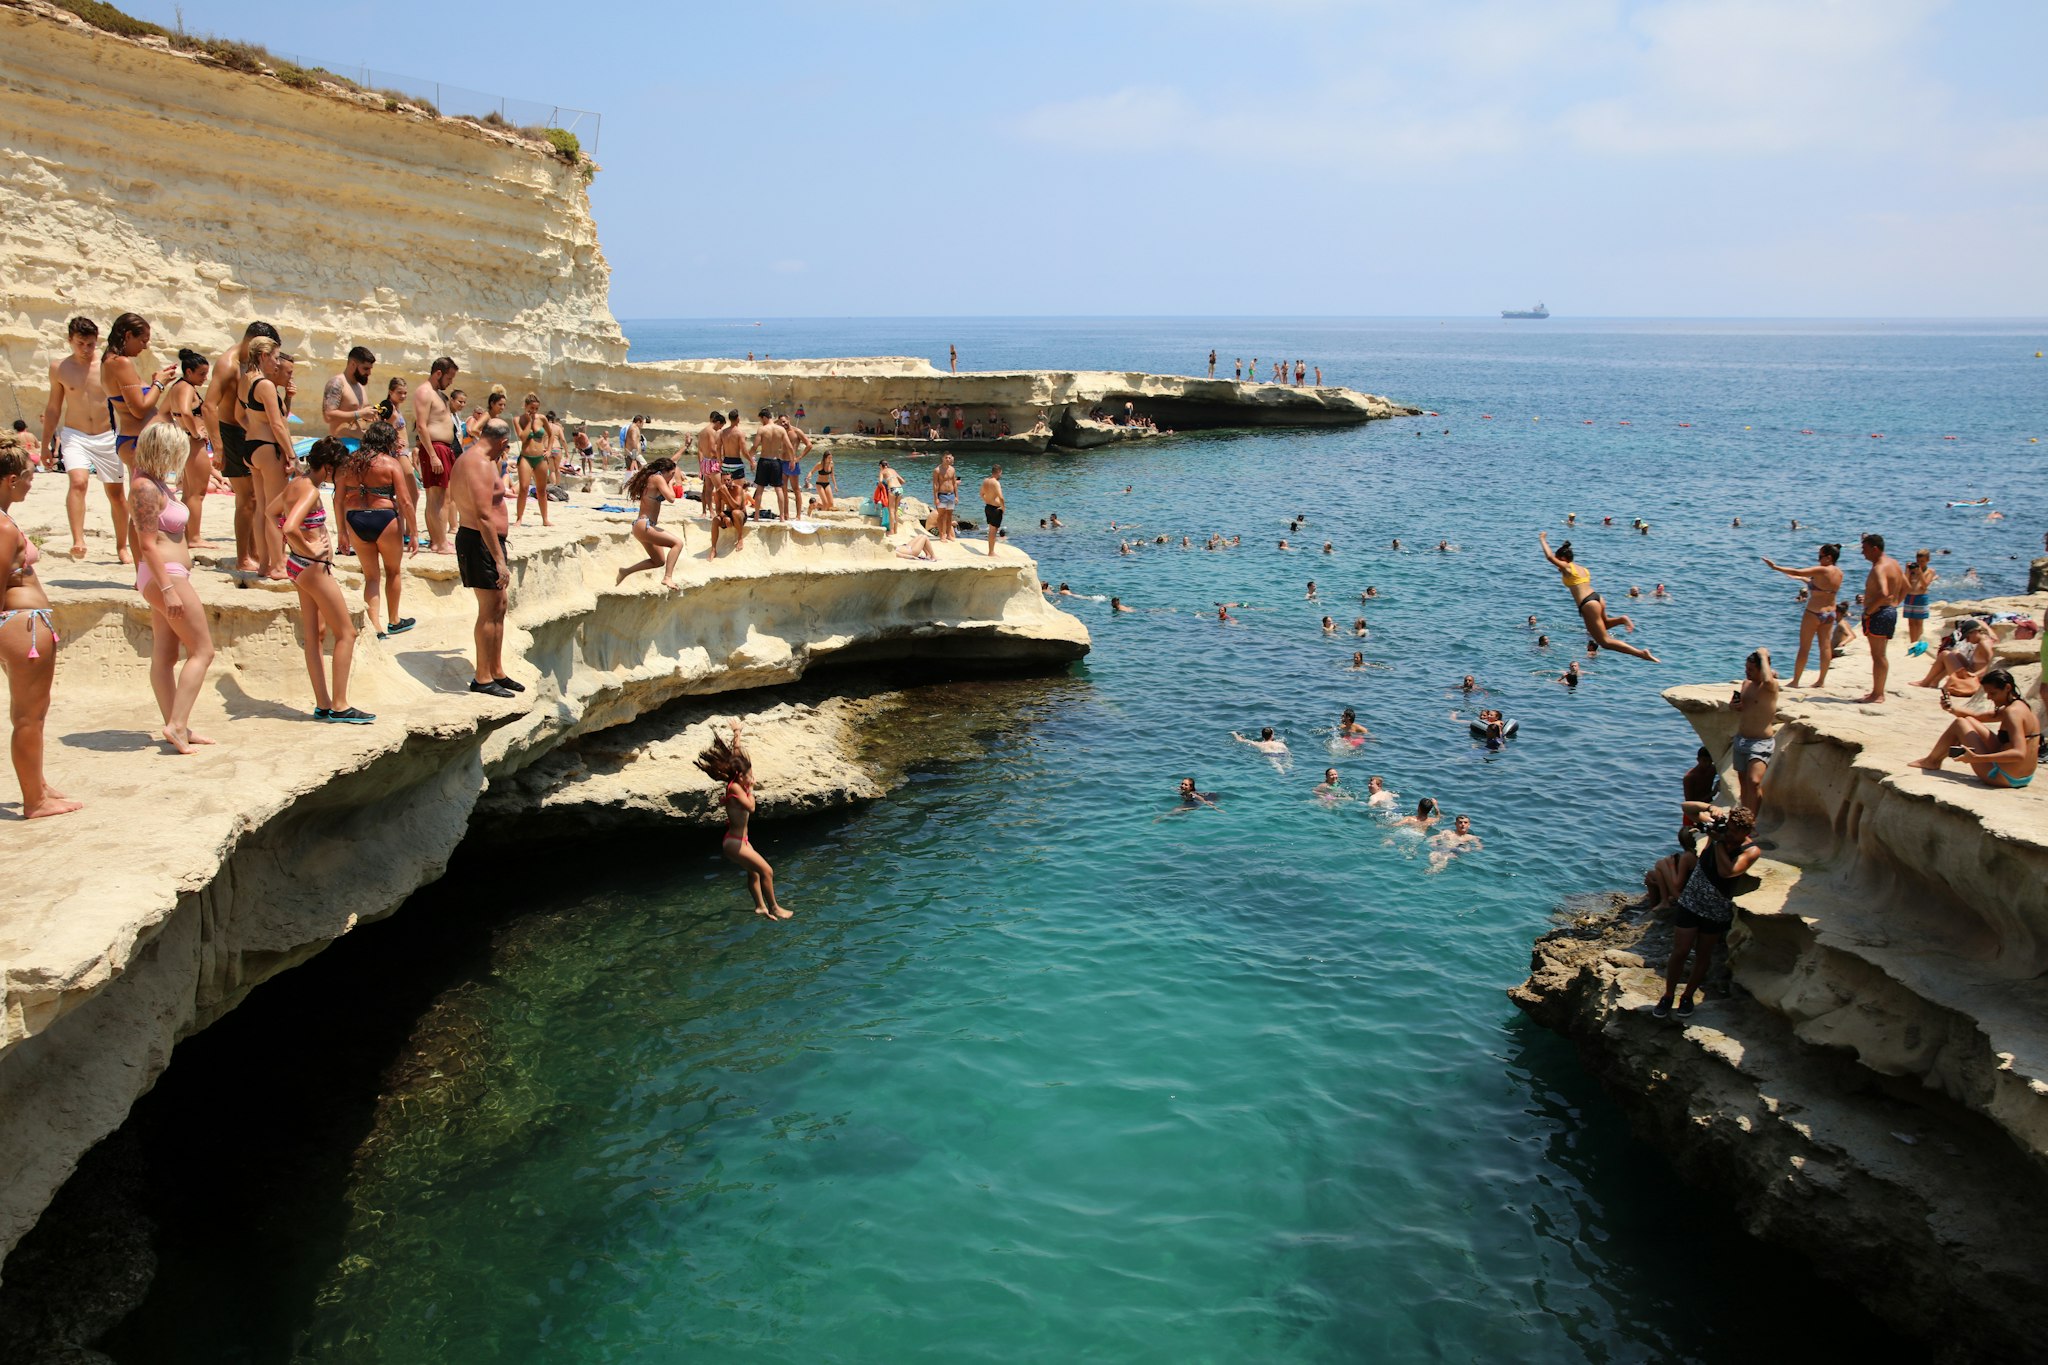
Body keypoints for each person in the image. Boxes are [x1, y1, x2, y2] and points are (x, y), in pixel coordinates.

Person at [0, 439, 79, 816]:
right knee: (28, 717)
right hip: (22, 627)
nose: (32, 484)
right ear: (10, 479)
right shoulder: (1, 525)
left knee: (33, 714)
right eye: (29, 478)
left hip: (24, 625)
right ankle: (35, 801)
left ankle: (38, 785)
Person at [129, 424, 217, 750]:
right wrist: (167, 589)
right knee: (203, 650)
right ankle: (178, 725)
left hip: (166, 574)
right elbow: (147, 544)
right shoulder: (145, 488)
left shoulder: (154, 483)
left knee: (165, 656)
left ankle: (176, 724)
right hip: (165, 576)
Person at [270, 438, 370, 722]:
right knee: (347, 633)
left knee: (316, 636)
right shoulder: (311, 491)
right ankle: (340, 705)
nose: (341, 476)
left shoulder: (295, 483)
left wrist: (296, 544)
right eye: (339, 471)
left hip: (297, 566)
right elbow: (289, 526)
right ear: (327, 468)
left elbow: (271, 513)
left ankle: (323, 704)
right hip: (313, 568)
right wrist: (308, 546)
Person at [1648, 804, 1760, 1017]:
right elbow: (1687, 808)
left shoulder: (1750, 850)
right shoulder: (1718, 833)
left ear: (1747, 832)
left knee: (1703, 954)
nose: (1732, 835)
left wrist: (1718, 842)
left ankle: (1687, 997)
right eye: (1730, 829)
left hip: (1716, 909)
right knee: (1680, 951)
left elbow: (1727, 872)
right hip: (1691, 902)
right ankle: (1668, 996)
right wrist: (1710, 808)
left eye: (1737, 832)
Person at [42, 316, 122, 561]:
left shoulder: (107, 365)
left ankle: (122, 546)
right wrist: (46, 444)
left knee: (116, 494)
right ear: (70, 340)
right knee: (78, 482)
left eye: (91, 344)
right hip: (75, 434)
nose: (86, 349)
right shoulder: (59, 368)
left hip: (107, 435)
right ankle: (78, 539)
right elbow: (54, 407)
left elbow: (127, 399)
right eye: (80, 344)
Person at [696, 719, 791, 919]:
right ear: (740, 777)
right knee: (767, 870)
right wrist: (752, 789)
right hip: (734, 843)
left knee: (754, 872)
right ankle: (774, 907)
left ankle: (759, 907)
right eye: (749, 775)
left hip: (742, 841)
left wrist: (737, 733)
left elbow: (736, 754)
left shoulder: (738, 779)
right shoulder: (735, 787)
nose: (752, 777)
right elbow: (751, 807)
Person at [452, 418, 519, 698]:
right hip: (478, 540)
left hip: (487, 541)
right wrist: (499, 560)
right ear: (503, 442)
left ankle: (496, 670)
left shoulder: (480, 459)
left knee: (500, 604)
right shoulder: (478, 462)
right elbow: (482, 515)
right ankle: (482, 677)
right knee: (489, 608)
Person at [205, 321, 278, 572]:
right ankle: (242, 557)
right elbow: (208, 406)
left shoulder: (250, 363)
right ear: (253, 341)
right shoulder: (229, 364)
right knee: (246, 499)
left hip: (243, 431)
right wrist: (219, 447)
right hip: (229, 433)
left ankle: (254, 552)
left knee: (256, 497)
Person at [100, 313, 174, 549]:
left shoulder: (109, 362)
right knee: (145, 508)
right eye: (142, 340)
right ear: (128, 335)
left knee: (145, 506)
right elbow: (140, 409)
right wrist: (159, 384)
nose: (145, 346)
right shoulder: (120, 363)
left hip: (135, 440)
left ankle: (144, 568)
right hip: (137, 442)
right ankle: (143, 569)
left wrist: (154, 384)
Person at [336, 420, 416, 638]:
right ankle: (394, 620)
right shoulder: (390, 464)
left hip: (355, 519)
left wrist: (341, 531)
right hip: (384, 518)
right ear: (387, 441)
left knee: (371, 576)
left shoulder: (348, 463)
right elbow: (406, 501)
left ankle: (375, 628)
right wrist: (414, 533)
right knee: (393, 571)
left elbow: (338, 499)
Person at [1538, 532, 1658, 661]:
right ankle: (1621, 619)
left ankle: (1641, 654)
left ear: (1563, 559)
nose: (1557, 566)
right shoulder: (1582, 569)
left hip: (1588, 604)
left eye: (1558, 562)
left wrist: (1542, 539)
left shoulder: (1567, 567)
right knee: (1604, 625)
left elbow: (1549, 556)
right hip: (1597, 598)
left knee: (1605, 642)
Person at [1908, 670, 2039, 788]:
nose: (1989, 698)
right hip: (2024, 777)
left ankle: (1931, 761)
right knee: (1968, 721)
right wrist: (1952, 709)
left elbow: (2019, 753)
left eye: (1993, 693)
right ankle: (1933, 760)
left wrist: (1977, 758)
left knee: (1960, 723)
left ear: (2007, 688)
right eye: (1987, 693)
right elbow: (1978, 717)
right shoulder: (2020, 706)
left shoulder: (2012, 713)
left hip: (2004, 777)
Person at [240, 337, 297, 579]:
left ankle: (264, 564)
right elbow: (277, 424)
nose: (276, 363)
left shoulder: (246, 381)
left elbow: (241, 414)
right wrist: (292, 455)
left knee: (262, 509)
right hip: (267, 447)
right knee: (276, 511)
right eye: (274, 357)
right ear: (263, 356)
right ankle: (277, 565)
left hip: (251, 447)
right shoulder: (265, 385)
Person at [159, 348, 219, 549]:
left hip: (183, 442)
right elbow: (185, 411)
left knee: (188, 492)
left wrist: (178, 432)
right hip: (193, 444)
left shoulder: (176, 387)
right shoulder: (186, 388)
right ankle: (194, 537)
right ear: (189, 371)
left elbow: (164, 412)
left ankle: (185, 534)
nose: (204, 378)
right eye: (201, 374)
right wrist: (194, 432)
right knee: (197, 493)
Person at [1762, 545, 1844, 687]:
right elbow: (1821, 587)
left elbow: (1797, 570)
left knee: (1804, 647)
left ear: (1829, 557)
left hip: (1814, 612)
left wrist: (1775, 567)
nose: (1818, 560)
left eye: (1820, 557)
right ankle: (1821, 681)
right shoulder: (1839, 573)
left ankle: (1795, 681)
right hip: (1830, 612)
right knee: (1825, 647)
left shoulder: (1822, 570)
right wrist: (1801, 579)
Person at [411, 357, 461, 553]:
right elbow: (421, 425)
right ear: (438, 373)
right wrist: (432, 455)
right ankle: (440, 543)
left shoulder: (438, 394)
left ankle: (436, 540)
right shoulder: (425, 392)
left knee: (438, 497)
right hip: (435, 448)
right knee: (437, 497)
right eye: (449, 377)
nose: (451, 382)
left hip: (443, 448)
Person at [617, 457, 686, 588]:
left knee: (659, 561)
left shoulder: (654, 478)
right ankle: (668, 578)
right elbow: (671, 498)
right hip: (645, 525)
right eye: (671, 474)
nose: (671, 477)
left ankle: (625, 571)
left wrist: (669, 482)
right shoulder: (657, 478)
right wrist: (671, 483)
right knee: (678, 543)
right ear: (665, 471)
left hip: (642, 526)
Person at [1856, 533, 1908, 704]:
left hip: (1879, 613)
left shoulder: (1879, 567)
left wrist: (1869, 611)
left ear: (1874, 548)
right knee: (1881, 654)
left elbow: (1884, 593)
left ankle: (1878, 694)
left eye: (1864, 549)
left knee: (1878, 656)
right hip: (1889, 611)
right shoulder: (1894, 563)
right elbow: (1906, 586)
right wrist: (1895, 603)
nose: (1863, 553)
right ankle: (1877, 691)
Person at [1729, 648, 1779, 817]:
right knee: (1744, 784)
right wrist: (1734, 706)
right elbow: (1741, 706)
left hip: (1760, 742)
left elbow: (1767, 679)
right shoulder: (1746, 684)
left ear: (1762, 669)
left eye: (1751, 669)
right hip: (1742, 740)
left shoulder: (1769, 687)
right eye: (1746, 668)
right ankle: (1745, 819)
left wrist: (1764, 655)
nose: (1746, 672)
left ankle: (1753, 821)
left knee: (1754, 781)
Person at [1913, 617, 1995, 695]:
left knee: (1944, 654)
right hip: (1971, 672)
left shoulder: (1984, 644)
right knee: (1954, 653)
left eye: (1967, 637)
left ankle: (1925, 683)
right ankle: (1934, 682)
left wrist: (1976, 675)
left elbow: (1993, 663)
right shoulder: (1984, 639)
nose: (1967, 640)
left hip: (1972, 679)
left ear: (1975, 632)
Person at [751, 408, 798, 522]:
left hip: (764, 460)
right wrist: (792, 461)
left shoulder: (762, 429)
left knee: (760, 488)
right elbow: (790, 447)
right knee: (779, 489)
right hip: (776, 461)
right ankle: (782, 517)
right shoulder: (781, 430)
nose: (761, 422)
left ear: (764, 417)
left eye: (761, 419)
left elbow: (755, 447)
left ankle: (756, 516)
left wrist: (751, 459)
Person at [321, 346, 378, 438]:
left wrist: (371, 416)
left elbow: (361, 415)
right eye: (365, 368)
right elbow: (328, 416)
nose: (369, 373)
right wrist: (360, 414)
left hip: (360, 444)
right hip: (342, 445)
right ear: (353, 364)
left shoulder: (360, 386)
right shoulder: (337, 383)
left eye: (370, 369)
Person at [1902, 550, 1936, 644]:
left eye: (1922, 561)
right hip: (1910, 597)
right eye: (1918, 561)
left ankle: (1918, 642)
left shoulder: (1930, 571)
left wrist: (1920, 573)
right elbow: (1905, 583)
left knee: (1919, 623)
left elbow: (1925, 585)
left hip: (1921, 598)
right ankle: (1912, 642)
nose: (1920, 564)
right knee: (1911, 623)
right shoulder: (1912, 570)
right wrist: (1907, 571)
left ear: (1928, 560)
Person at [930, 452, 960, 541]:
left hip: (951, 495)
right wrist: (936, 498)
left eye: (949, 458)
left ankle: (948, 534)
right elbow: (935, 484)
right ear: (942, 458)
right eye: (946, 458)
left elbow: (954, 483)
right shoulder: (937, 470)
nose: (948, 459)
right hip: (942, 495)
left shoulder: (952, 469)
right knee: (941, 516)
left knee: (949, 515)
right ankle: (942, 535)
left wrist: (956, 496)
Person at [979, 464, 1004, 555]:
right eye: (1001, 473)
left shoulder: (986, 481)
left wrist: (987, 500)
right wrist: (1003, 507)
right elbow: (1001, 498)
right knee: (994, 531)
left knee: (991, 530)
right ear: (999, 472)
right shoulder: (996, 483)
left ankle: (991, 551)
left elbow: (981, 494)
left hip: (988, 507)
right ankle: (991, 552)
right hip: (995, 509)